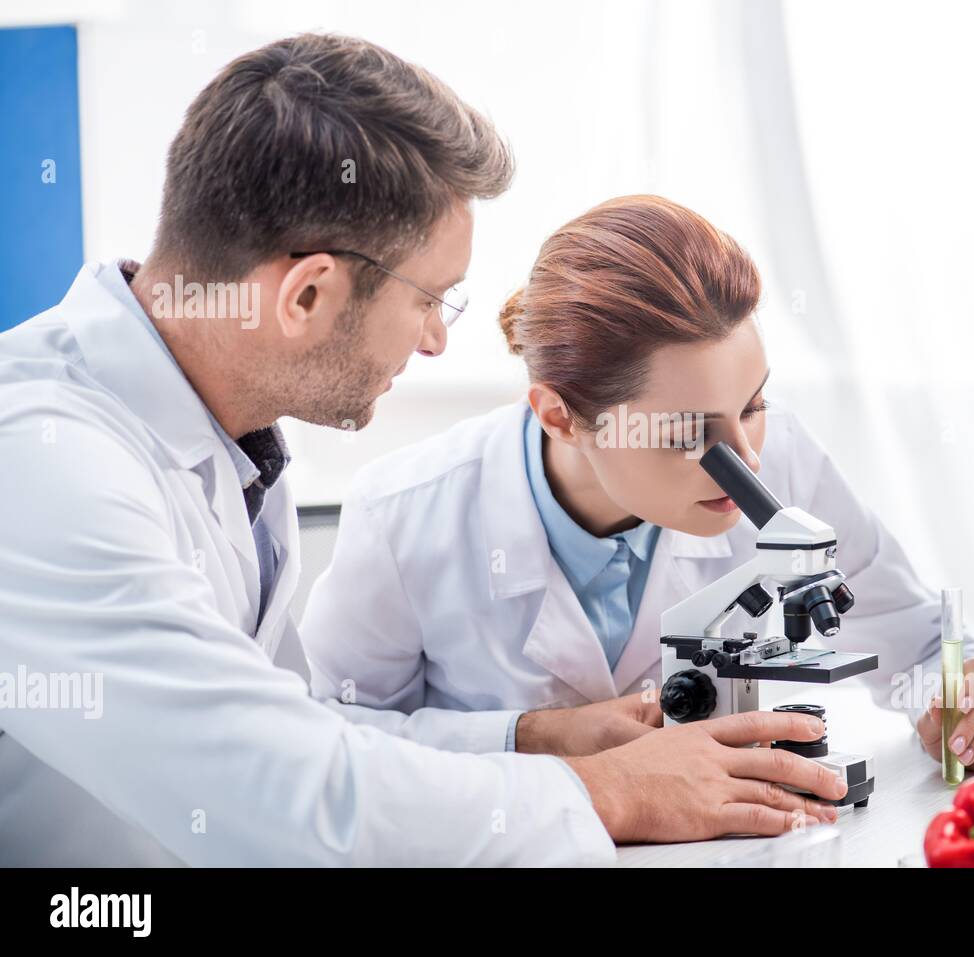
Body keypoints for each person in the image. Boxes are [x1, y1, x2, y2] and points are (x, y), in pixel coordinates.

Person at [0, 35, 846, 867]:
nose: (440, 339)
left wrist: (538, 737)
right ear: (307, 294)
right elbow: (291, 793)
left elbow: (299, 723)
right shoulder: (46, 465)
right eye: (432, 299)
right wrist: (615, 791)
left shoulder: (225, 439)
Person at [300, 195, 974, 781]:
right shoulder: (406, 515)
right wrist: (534, 738)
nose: (746, 459)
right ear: (561, 416)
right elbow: (329, 743)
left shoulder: (778, 456)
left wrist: (967, 697)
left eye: (752, 403)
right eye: (690, 434)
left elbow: (914, 646)